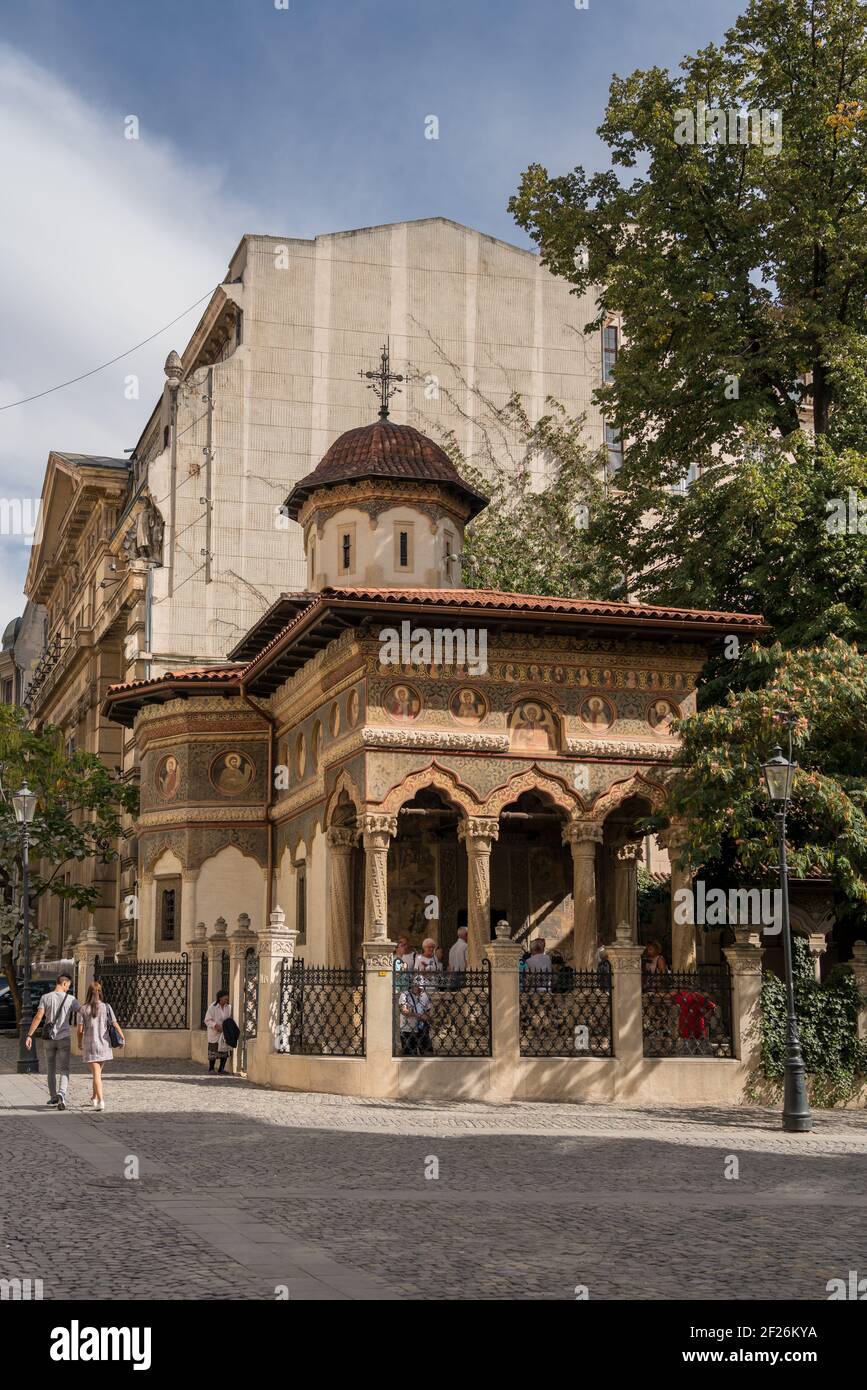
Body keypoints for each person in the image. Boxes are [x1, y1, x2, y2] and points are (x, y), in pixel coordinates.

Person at [25, 971, 80, 1110]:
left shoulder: (45, 997)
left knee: (50, 1068)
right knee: (64, 1069)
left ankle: (53, 1096)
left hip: (49, 1039)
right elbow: (82, 1011)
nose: (68, 988)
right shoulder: (71, 999)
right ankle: (62, 1093)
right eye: (68, 985)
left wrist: (29, 1035)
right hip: (64, 1038)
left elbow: (38, 1016)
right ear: (64, 983)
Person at [77, 981, 124, 1111]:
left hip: (90, 1045)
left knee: (96, 1074)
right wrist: (122, 1037)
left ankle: (101, 1100)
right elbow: (115, 1024)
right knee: (97, 1073)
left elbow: (80, 1030)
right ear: (100, 992)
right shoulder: (106, 1007)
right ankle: (94, 1097)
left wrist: (79, 1043)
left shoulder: (83, 1009)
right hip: (104, 1044)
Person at [398, 978, 432, 1055]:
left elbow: (429, 1012)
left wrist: (425, 1017)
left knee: (426, 1053)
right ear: (414, 986)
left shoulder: (425, 996)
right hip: (408, 1029)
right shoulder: (404, 995)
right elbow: (404, 1011)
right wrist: (417, 1015)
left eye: (422, 988)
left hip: (422, 1029)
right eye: (419, 988)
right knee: (410, 1054)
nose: (421, 990)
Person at [203, 989, 232, 1074]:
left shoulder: (228, 1007)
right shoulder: (213, 1007)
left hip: (224, 1032)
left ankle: (221, 1068)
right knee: (213, 1050)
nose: (227, 999)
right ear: (220, 998)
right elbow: (207, 1020)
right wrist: (215, 1025)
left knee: (224, 1050)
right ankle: (211, 1068)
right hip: (214, 1032)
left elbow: (229, 1018)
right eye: (225, 998)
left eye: (227, 998)